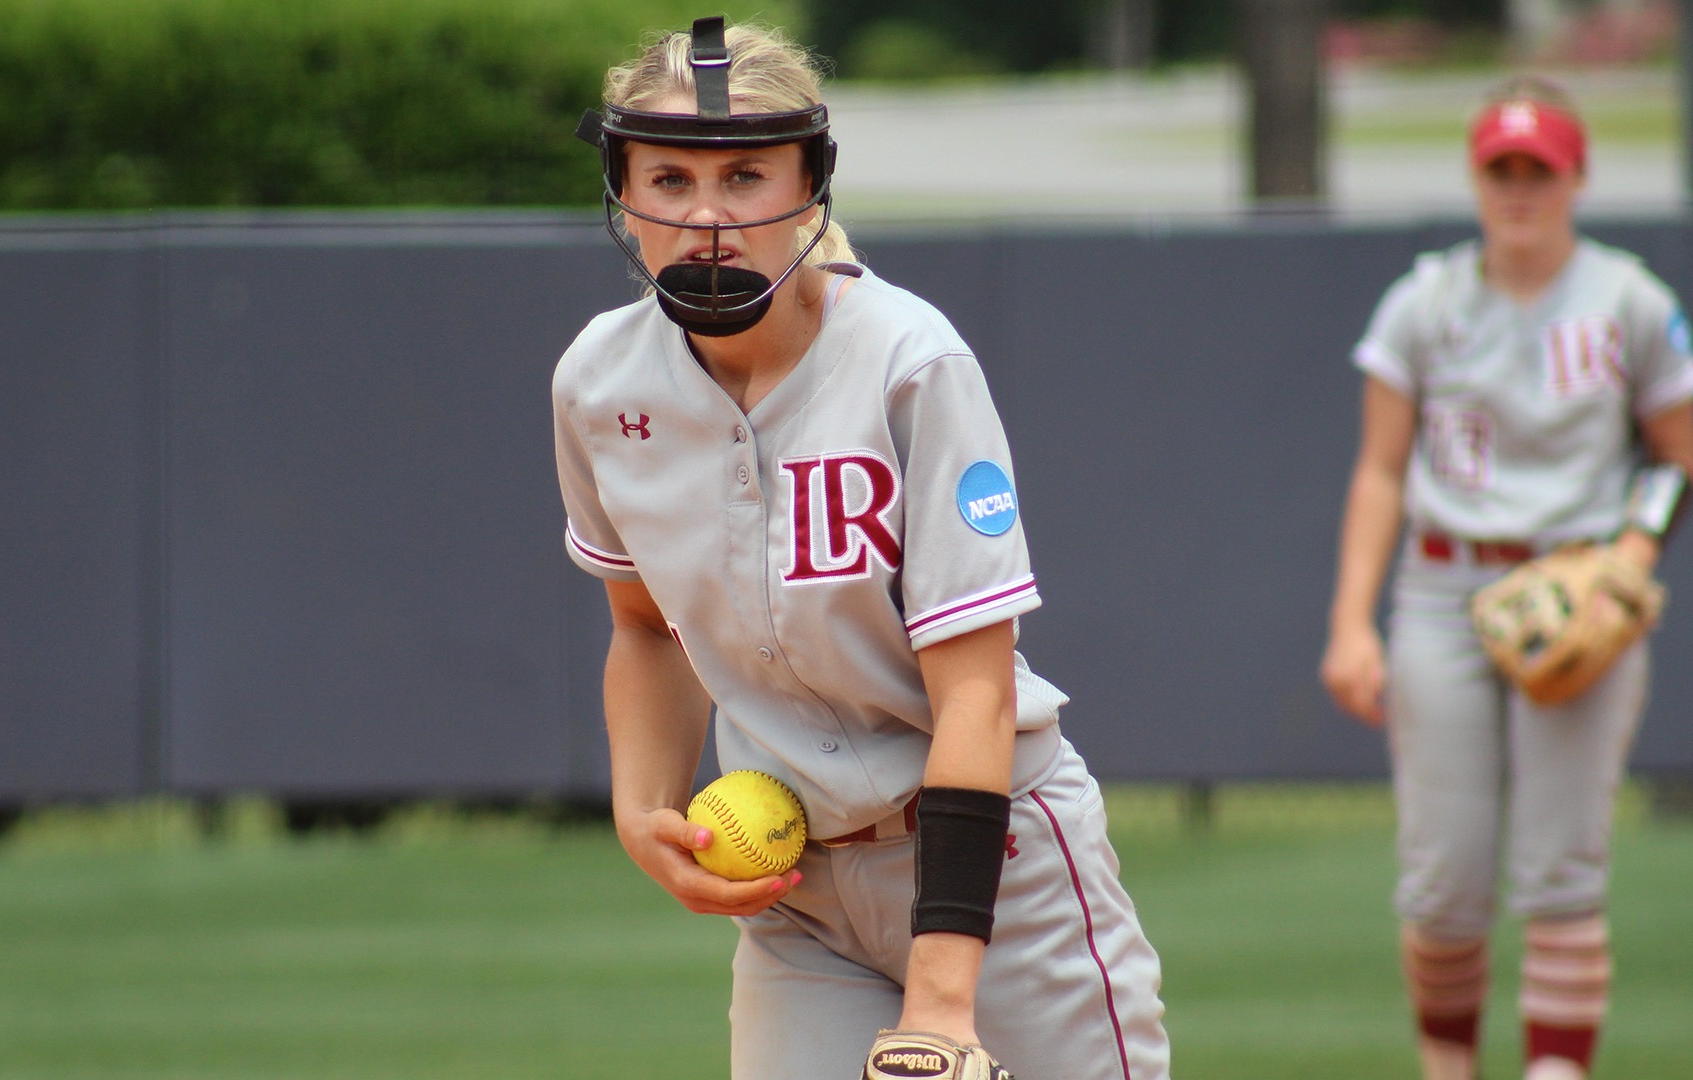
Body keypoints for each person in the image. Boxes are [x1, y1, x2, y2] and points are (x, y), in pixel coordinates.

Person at [551, 17, 1169, 1080]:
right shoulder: (600, 386)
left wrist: (941, 995)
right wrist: (640, 802)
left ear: (809, 185)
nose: (705, 215)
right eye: (668, 177)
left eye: (745, 175)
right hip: (800, 898)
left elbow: (973, 692)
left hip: (999, 867)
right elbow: (645, 626)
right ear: (624, 193)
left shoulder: (906, 362)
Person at [1320, 75, 1693, 1080]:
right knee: (1443, 881)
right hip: (1446, 592)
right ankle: (1451, 1070)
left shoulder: (1630, 301)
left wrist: (1634, 553)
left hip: (1584, 589)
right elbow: (1380, 471)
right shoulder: (1425, 301)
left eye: (1540, 168)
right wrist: (1353, 622)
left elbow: (1679, 452)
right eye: (1502, 169)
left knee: (1562, 868)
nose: (1520, 187)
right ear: (1478, 178)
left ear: (1576, 175)